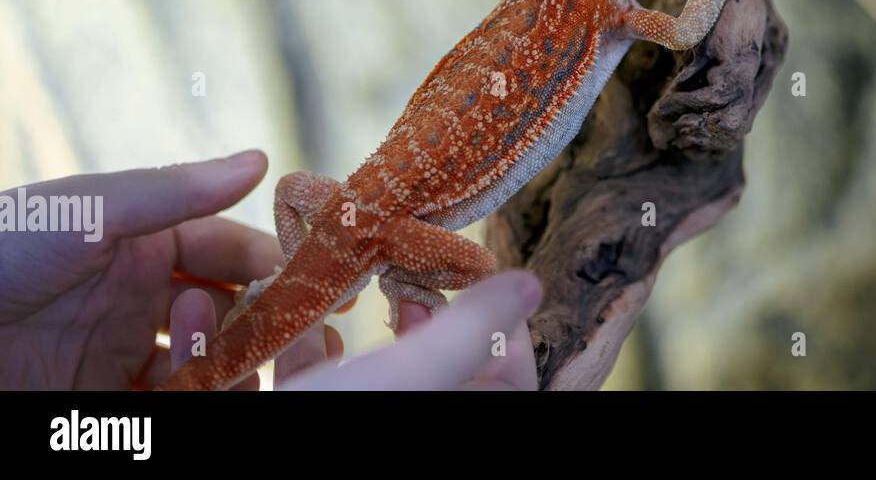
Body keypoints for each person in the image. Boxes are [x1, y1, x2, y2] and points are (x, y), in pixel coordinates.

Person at [0, 151, 539, 390]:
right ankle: (398, 283)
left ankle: (393, 282)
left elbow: (288, 189)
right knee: (484, 267)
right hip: (374, 226)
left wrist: (292, 269)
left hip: (364, 208)